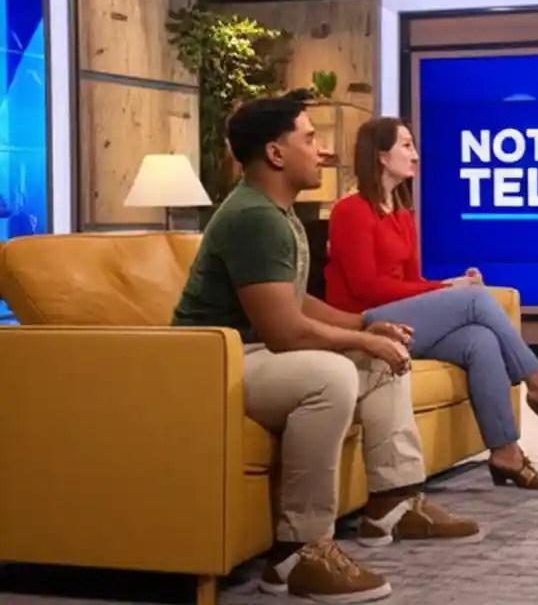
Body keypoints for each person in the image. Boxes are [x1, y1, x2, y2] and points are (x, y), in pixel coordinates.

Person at [173, 97, 482, 603]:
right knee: (330, 375)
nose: (322, 151)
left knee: (380, 362)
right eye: (310, 138)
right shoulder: (254, 218)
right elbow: (284, 332)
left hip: (247, 354)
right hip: (211, 363)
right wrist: (362, 337)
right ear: (276, 153)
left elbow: (297, 300)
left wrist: (368, 326)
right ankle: (298, 551)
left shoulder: (279, 213)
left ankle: (393, 503)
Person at [324, 116, 538, 491]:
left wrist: (445, 285)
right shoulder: (350, 211)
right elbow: (366, 286)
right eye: (406, 146)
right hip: (363, 322)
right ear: (381, 156)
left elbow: (407, 282)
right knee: (472, 298)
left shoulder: (403, 215)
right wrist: (445, 289)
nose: (415, 154)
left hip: (400, 316)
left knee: (479, 340)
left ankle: (506, 453)